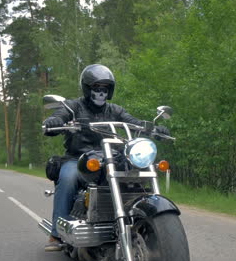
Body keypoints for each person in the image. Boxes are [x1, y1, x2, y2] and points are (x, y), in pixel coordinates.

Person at [41, 64, 168, 251]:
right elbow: (61, 114)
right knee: (67, 179)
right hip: (78, 159)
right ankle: (56, 234)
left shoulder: (115, 110)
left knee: (134, 175)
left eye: (105, 88)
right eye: (96, 87)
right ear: (87, 88)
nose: (101, 92)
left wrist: (153, 129)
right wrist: (55, 121)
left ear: (110, 91)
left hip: (110, 158)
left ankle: (141, 221)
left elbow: (134, 123)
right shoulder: (73, 106)